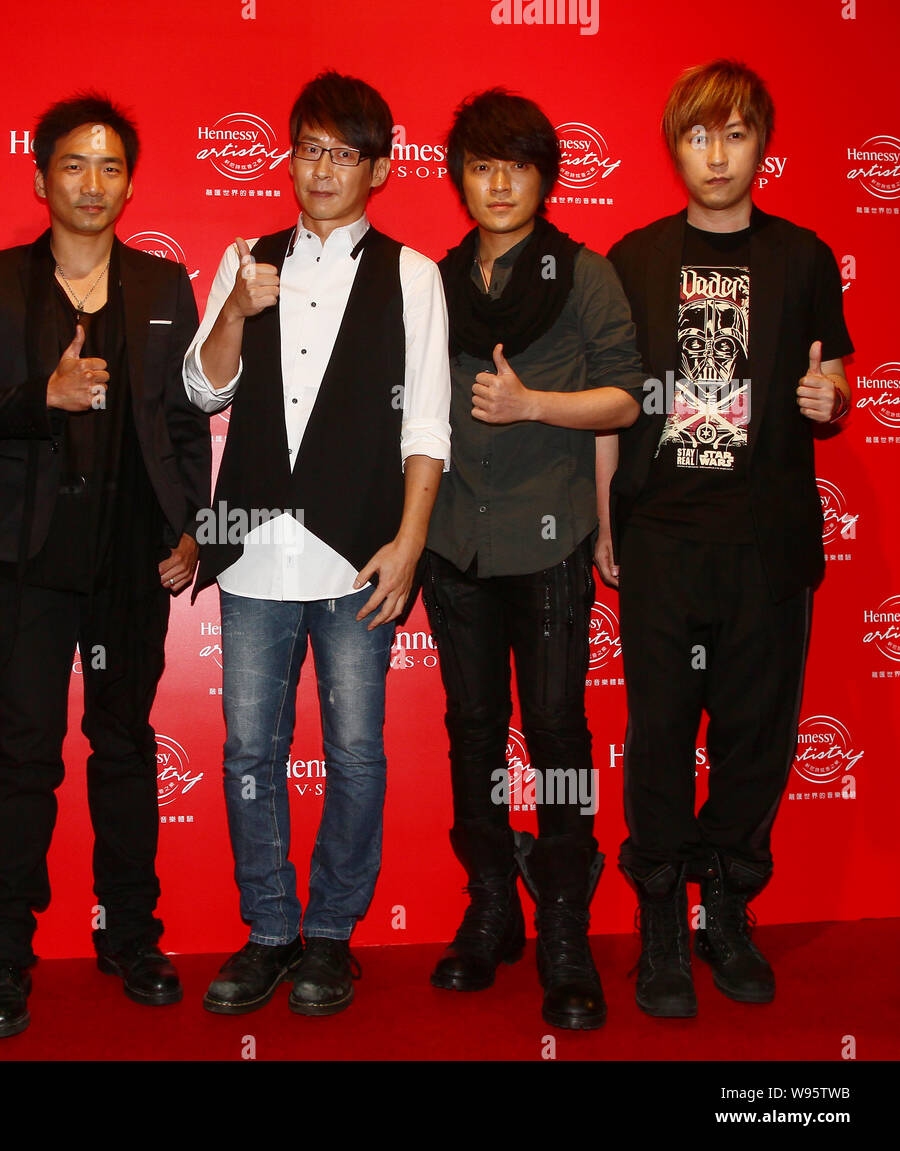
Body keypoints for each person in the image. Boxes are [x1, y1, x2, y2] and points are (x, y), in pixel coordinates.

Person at [185, 71, 451, 1017]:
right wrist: (235, 312)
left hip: (357, 554)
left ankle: (332, 935)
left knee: (355, 751)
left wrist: (410, 542)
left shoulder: (413, 274)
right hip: (254, 550)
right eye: (308, 148)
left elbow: (426, 425)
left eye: (342, 151)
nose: (322, 168)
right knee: (248, 750)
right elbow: (206, 390)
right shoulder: (243, 259)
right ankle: (268, 931)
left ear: (378, 166)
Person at [0, 93, 210, 1039]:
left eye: (108, 167)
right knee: (24, 757)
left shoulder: (163, 285)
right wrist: (43, 395)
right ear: (40, 177)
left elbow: (185, 421)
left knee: (126, 747)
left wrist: (193, 526)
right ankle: (5, 956)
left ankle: (132, 935)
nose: (91, 183)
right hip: (26, 559)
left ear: (130, 182)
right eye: (73, 165)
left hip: (134, 560)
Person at [597, 59, 852, 1017]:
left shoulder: (805, 257)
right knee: (659, 735)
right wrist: (601, 517)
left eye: (735, 133)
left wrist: (834, 400)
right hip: (661, 537)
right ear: (675, 146)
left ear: (762, 145)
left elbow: (834, 387)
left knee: (757, 739)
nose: (716, 152)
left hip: (769, 543)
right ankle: (660, 912)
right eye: (700, 134)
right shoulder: (633, 259)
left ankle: (728, 910)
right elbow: (615, 408)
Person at [421, 89, 641, 1031]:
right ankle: (489, 905)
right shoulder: (431, 280)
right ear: (460, 179)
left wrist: (535, 407)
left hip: (550, 539)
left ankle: (563, 922)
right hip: (453, 542)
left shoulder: (583, 275)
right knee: (471, 727)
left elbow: (628, 401)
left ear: (546, 176)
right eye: (480, 164)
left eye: (516, 163)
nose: (499, 181)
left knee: (555, 732)